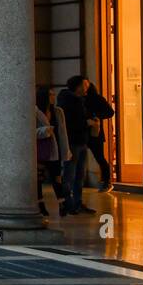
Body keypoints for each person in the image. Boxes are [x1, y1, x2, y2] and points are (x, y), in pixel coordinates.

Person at [57, 75, 91, 215]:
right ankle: (68, 202)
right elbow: (73, 122)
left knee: (79, 174)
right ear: (78, 86)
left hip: (81, 141)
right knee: (71, 173)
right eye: (85, 85)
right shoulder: (71, 102)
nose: (87, 88)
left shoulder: (78, 100)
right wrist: (87, 123)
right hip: (73, 142)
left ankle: (76, 203)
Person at [36, 86, 69, 217]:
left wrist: (65, 151)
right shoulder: (36, 111)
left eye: (53, 94)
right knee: (38, 180)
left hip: (54, 149)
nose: (53, 97)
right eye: (50, 94)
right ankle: (41, 206)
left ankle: (62, 204)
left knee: (57, 178)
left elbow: (62, 132)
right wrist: (45, 131)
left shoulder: (58, 111)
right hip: (41, 149)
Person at [83, 78, 115, 194]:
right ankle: (106, 181)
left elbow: (110, 112)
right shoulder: (80, 99)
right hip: (86, 132)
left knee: (99, 157)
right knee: (98, 157)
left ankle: (107, 181)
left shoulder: (96, 98)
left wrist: (96, 116)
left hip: (94, 132)